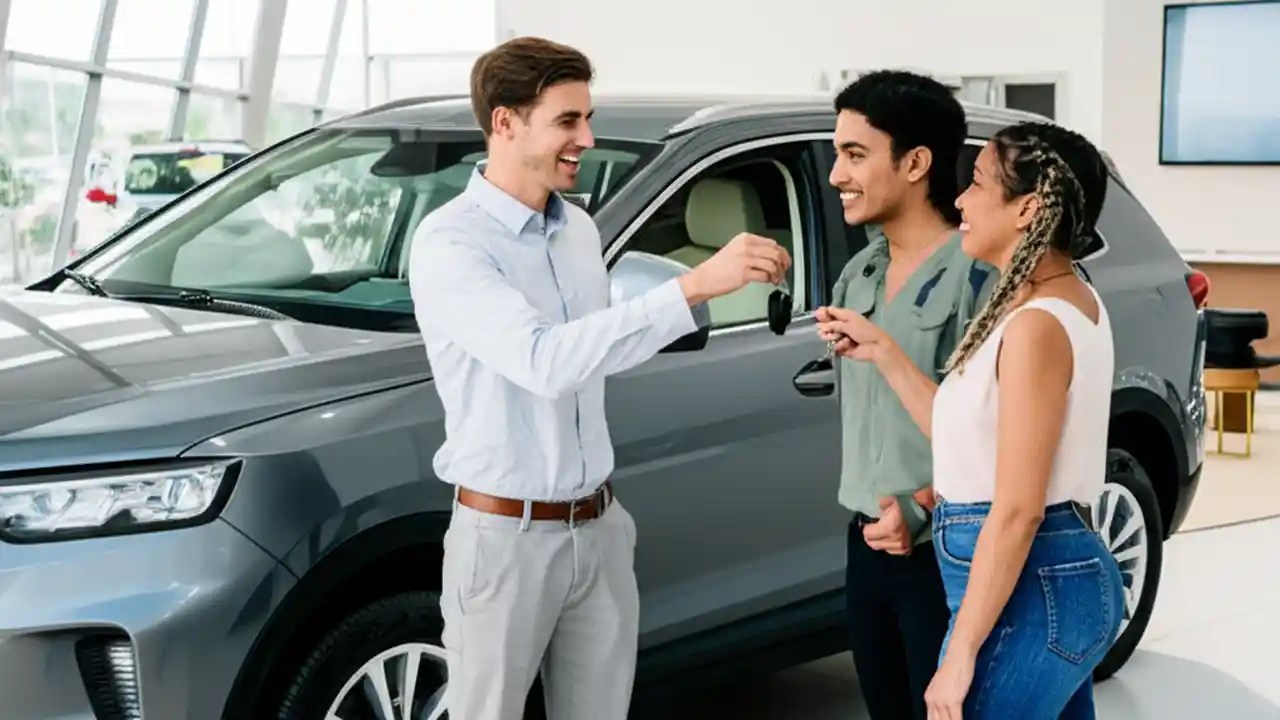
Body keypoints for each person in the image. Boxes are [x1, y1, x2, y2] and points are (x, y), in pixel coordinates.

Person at [407, 36, 791, 720]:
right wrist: (696, 287)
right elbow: (545, 361)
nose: (587, 136)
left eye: (586, 117)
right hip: (505, 541)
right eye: (567, 120)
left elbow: (595, 353)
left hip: (601, 528)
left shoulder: (579, 230)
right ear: (504, 122)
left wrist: (681, 307)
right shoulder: (451, 243)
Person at [816, 121, 1124, 719]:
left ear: (1027, 209)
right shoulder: (1051, 300)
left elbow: (1018, 509)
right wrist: (883, 351)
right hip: (1048, 581)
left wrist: (957, 657)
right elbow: (975, 438)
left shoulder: (1037, 325)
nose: (960, 198)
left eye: (978, 184)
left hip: (1037, 583)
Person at [819, 70, 996, 720]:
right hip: (865, 543)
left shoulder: (978, 278)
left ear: (917, 162)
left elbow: (997, 435)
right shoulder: (858, 272)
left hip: (943, 552)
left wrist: (920, 506)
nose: (837, 173)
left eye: (855, 154)